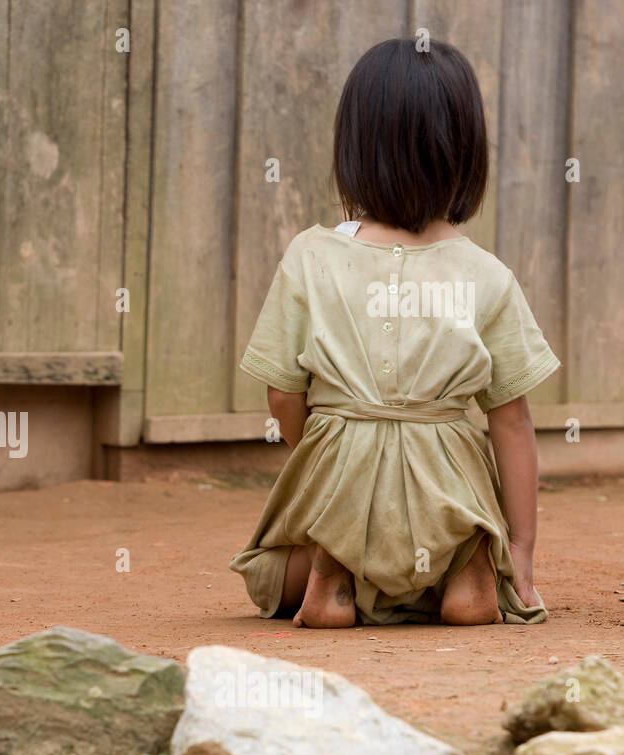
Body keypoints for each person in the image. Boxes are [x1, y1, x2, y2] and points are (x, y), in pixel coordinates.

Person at [230, 38, 558, 627]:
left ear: (353, 147)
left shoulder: (311, 256)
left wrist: (329, 456)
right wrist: (523, 555)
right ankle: (471, 568)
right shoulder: (487, 275)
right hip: (448, 505)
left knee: (272, 579)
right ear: (466, 154)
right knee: (455, 534)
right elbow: (512, 421)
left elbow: (282, 396)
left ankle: (336, 567)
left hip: (340, 489)